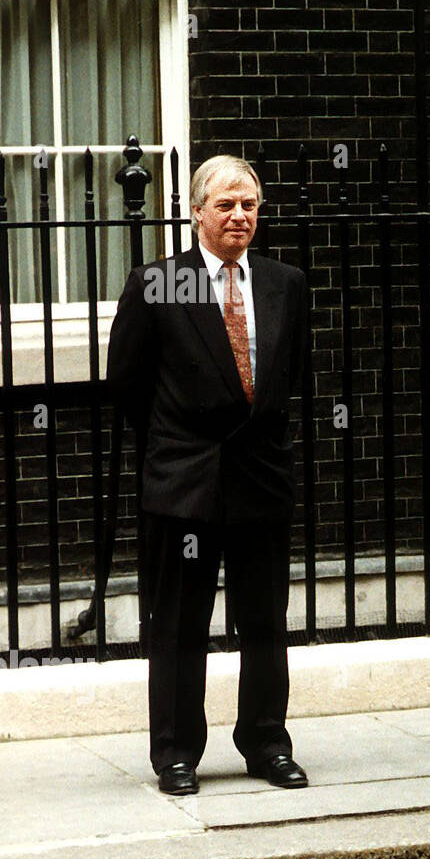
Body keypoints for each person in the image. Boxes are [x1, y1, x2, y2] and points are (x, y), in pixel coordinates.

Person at [107, 155, 310, 795]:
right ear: (197, 213)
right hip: (185, 481)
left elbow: (293, 376)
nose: (238, 216)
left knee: (265, 620)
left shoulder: (286, 283)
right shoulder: (159, 283)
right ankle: (175, 752)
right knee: (177, 624)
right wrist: (175, 449)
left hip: (260, 478)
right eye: (225, 205)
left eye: (248, 204)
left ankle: (266, 741)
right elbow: (128, 387)